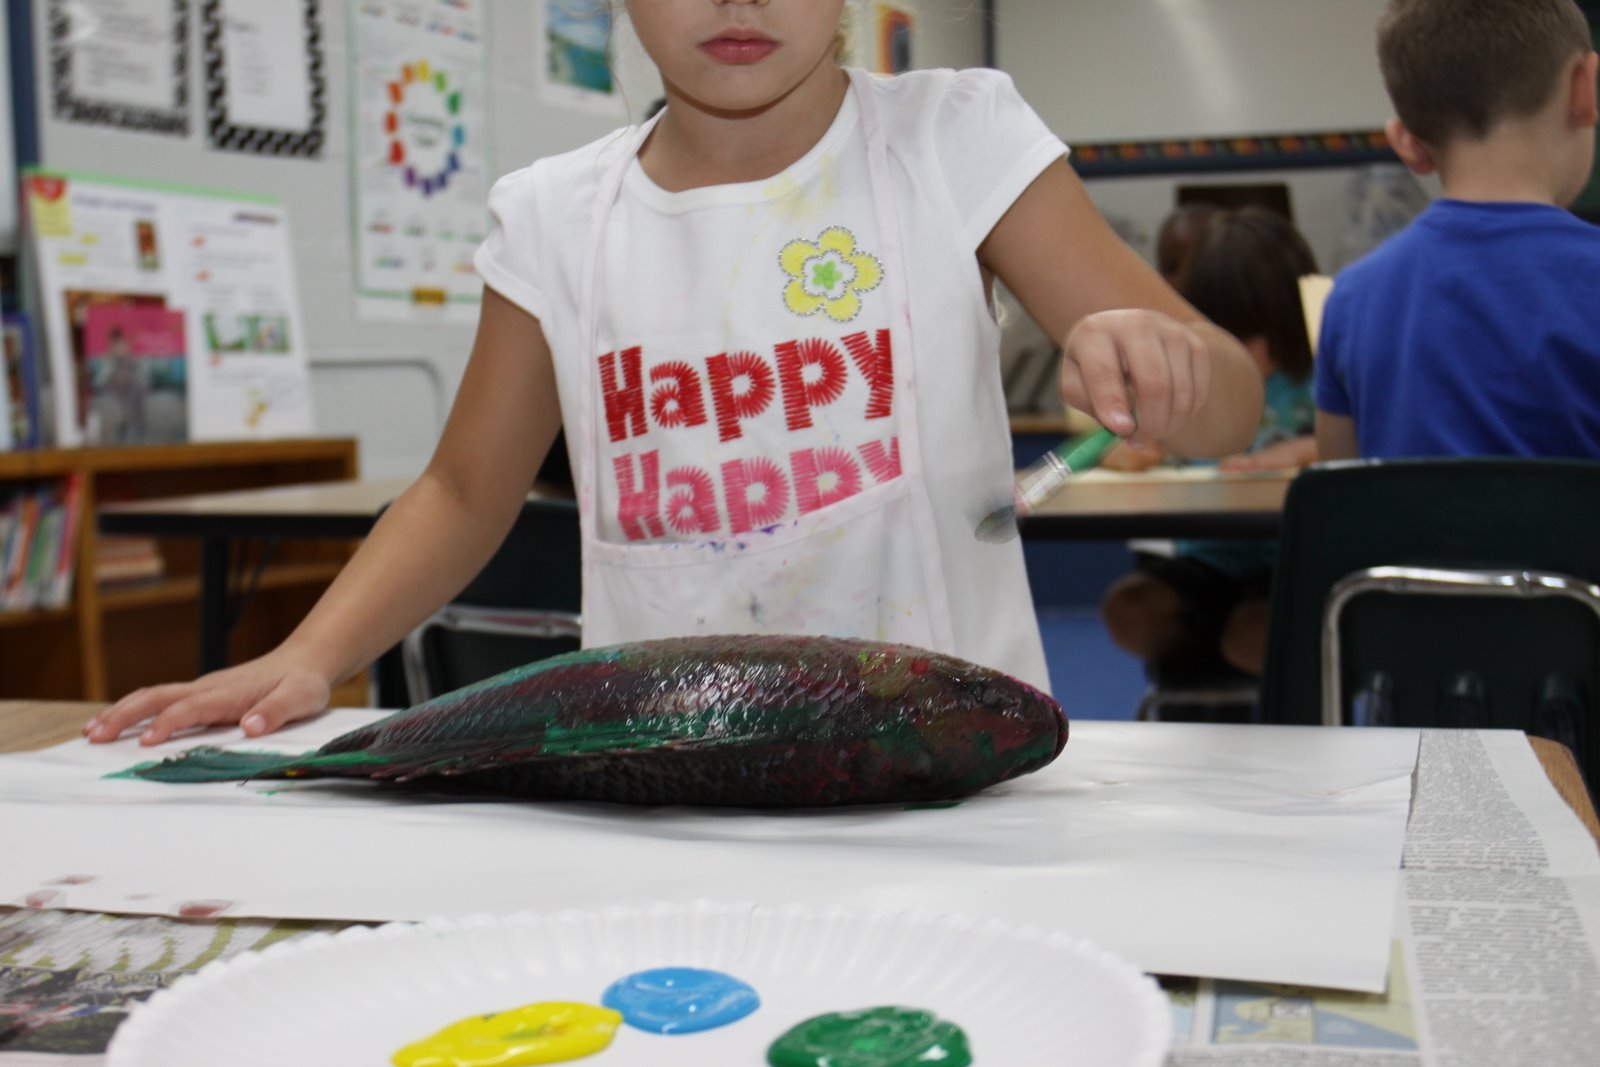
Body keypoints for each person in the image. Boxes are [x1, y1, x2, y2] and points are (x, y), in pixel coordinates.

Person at [86, 0, 1263, 747]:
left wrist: (1166, 361)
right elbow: (461, 491)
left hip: (945, 757)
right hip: (669, 767)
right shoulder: (554, 215)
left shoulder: (951, 137)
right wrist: (307, 653)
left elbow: (1229, 404)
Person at [1317, 0, 1600, 462]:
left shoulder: (1351, 299)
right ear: (1583, 87)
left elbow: (1343, 495)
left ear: (1407, 142)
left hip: (1410, 538)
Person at [1102, 207, 1320, 679]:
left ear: (1288, 315)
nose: (1239, 353)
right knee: (1132, 611)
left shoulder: (1321, 371)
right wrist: (1136, 448)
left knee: (1255, 633)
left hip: (1295, 560)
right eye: (1223, 333)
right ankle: (1203, 676)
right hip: (1209, 560)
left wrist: (1299, 451)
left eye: (1252, 333)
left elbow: (1357, 442)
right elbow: (1118, 446)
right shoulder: (1188, 373)